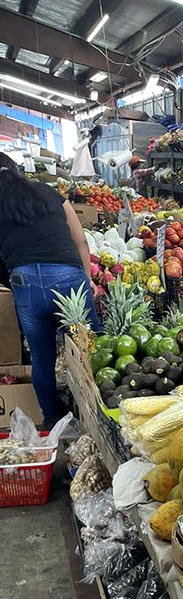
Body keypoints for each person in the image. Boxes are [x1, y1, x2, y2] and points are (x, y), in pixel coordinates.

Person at [0, 153, 100, 425]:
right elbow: (80, 241)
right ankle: (96, 413)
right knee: (87, 349)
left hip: (25, 281)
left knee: (41, 356)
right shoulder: (48, 192)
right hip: (68, 276)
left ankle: (54, 420)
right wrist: (86, 279)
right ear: (17, 171)